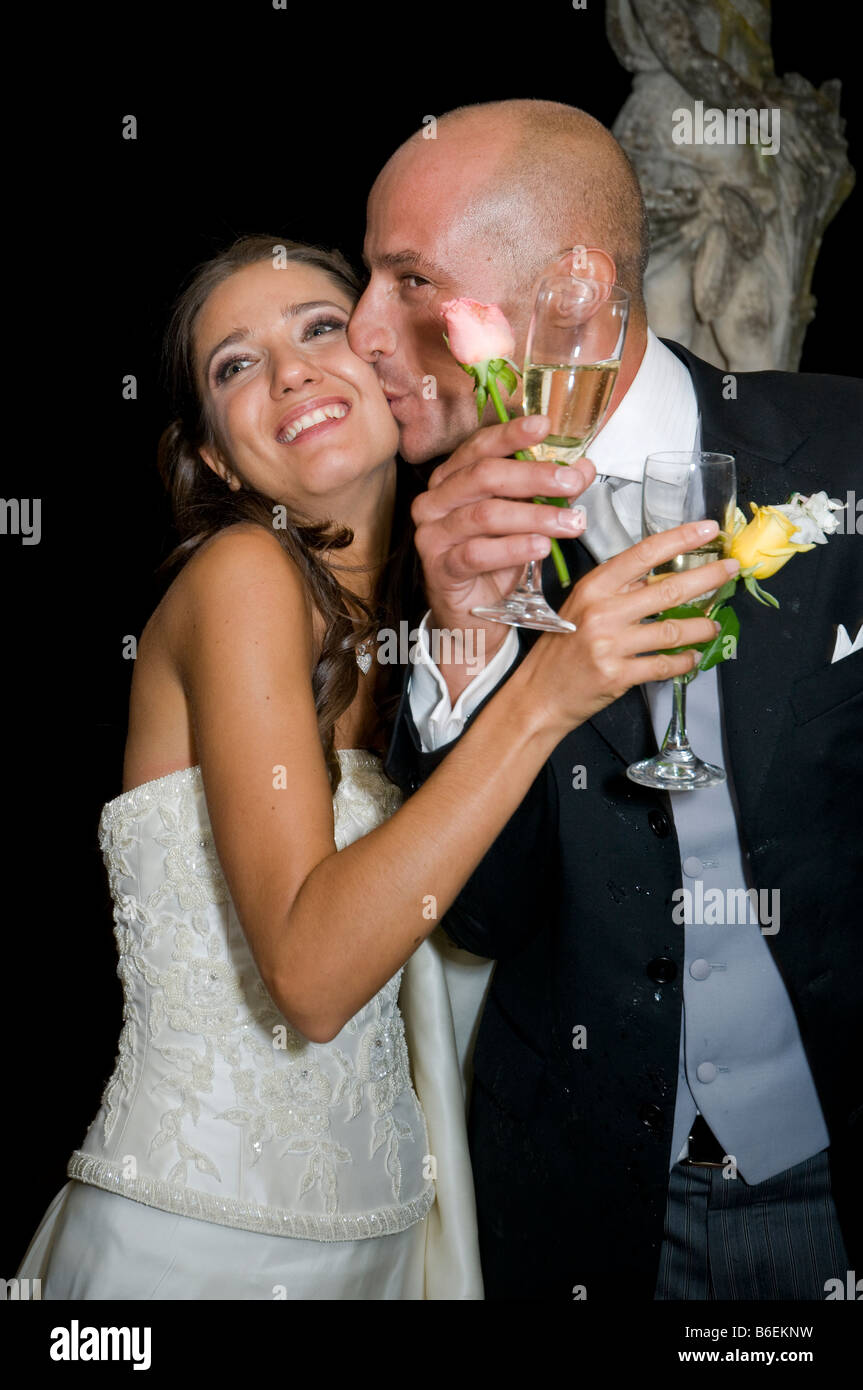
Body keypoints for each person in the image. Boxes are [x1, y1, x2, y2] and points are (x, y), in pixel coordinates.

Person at [14, 235, 727, 1300]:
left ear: (390, 369)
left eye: (315, 329)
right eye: (234, 365)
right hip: (200, 1242)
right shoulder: (242, 575)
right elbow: (307, 977)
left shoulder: (430, 622)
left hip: (389, 1239)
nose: (290, 369)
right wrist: (548, 693)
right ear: (214, 458)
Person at [348, 98, 863, 1301]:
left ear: (573, 290)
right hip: (588, 1212)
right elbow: (478, 919)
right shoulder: (408, 553)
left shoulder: (844, 451)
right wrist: (467, 638)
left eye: (407, 278)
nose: (365, 330)